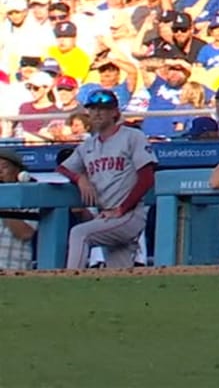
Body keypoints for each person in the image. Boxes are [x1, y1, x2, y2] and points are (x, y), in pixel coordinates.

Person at [55, 90, 157, 270]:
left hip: (129, 214)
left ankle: (70, 281)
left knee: (79, 233)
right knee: (118, 273)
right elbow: (63, 168)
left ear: (114, 112)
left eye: (103, 109)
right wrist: (80, 178)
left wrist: (122, 209)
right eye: (93, 109)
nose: (97, 113)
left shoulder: (132, 136)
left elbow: (147, 178)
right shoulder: (88, 145)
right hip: (107, 214)